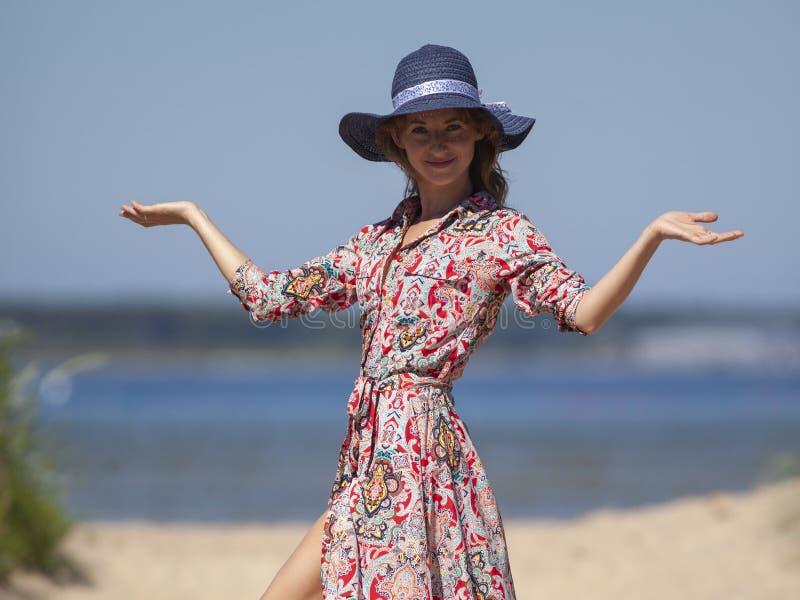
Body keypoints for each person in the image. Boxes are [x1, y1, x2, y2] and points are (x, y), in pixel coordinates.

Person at [119, 44, 743, 600]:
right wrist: (194, 217)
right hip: (367, 462)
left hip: (425, 458)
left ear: (479, 138)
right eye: (419, 130)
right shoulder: (377, 241)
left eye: (453, 128)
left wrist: (650, 238)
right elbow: (267, 297)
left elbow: (582, 313)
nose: (437, 144)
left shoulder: (500, 233)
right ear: (396, 145)